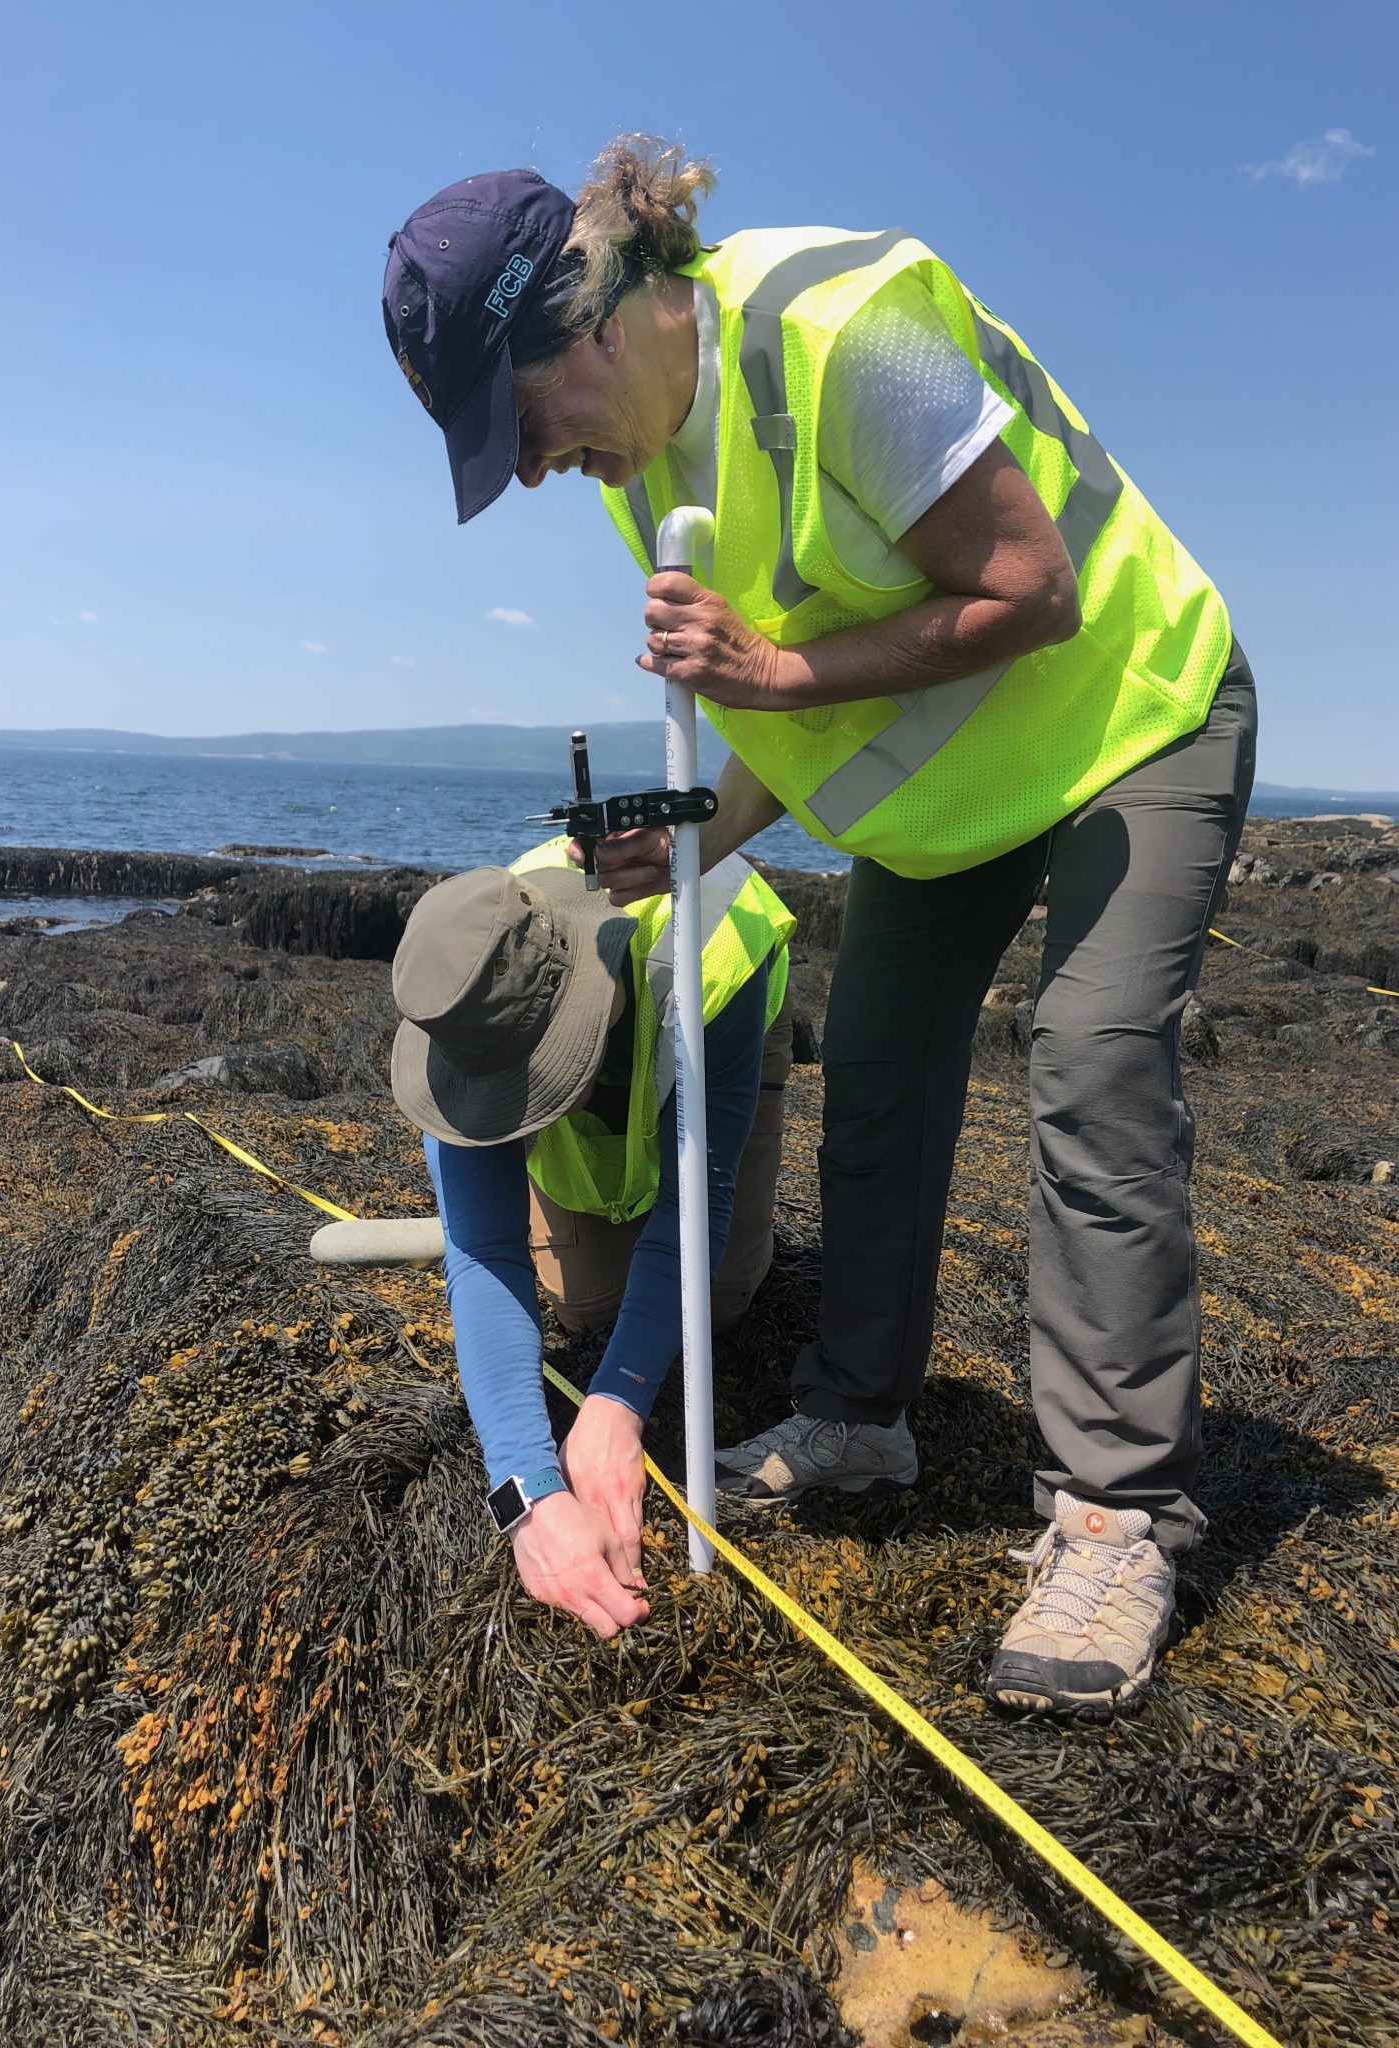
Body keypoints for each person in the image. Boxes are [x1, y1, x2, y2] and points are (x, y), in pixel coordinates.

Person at [380, 139, 1257, 1717]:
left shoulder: (844, 332)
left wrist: (775, 677)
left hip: (1135, 715)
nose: (522, 471)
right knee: (876, 1063)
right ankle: (858, 1414)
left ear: (581, 315)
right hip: (963, 784)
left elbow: (1034, 589)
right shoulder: (638, 458)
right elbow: (778, 704)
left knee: (1091, 1060)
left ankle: (1119, 1516)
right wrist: (704, 825)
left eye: (516, 425)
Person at [390, 837, 794, 1638]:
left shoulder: (714, 947)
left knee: (718, 1304)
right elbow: (482, 1249)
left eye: (539, 1082)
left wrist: (618, 1403)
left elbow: (695, 1203)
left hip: (726, 1023)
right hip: (589, 1039)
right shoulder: (461, 1011)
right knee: (585, 1311)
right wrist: (527, 1494)